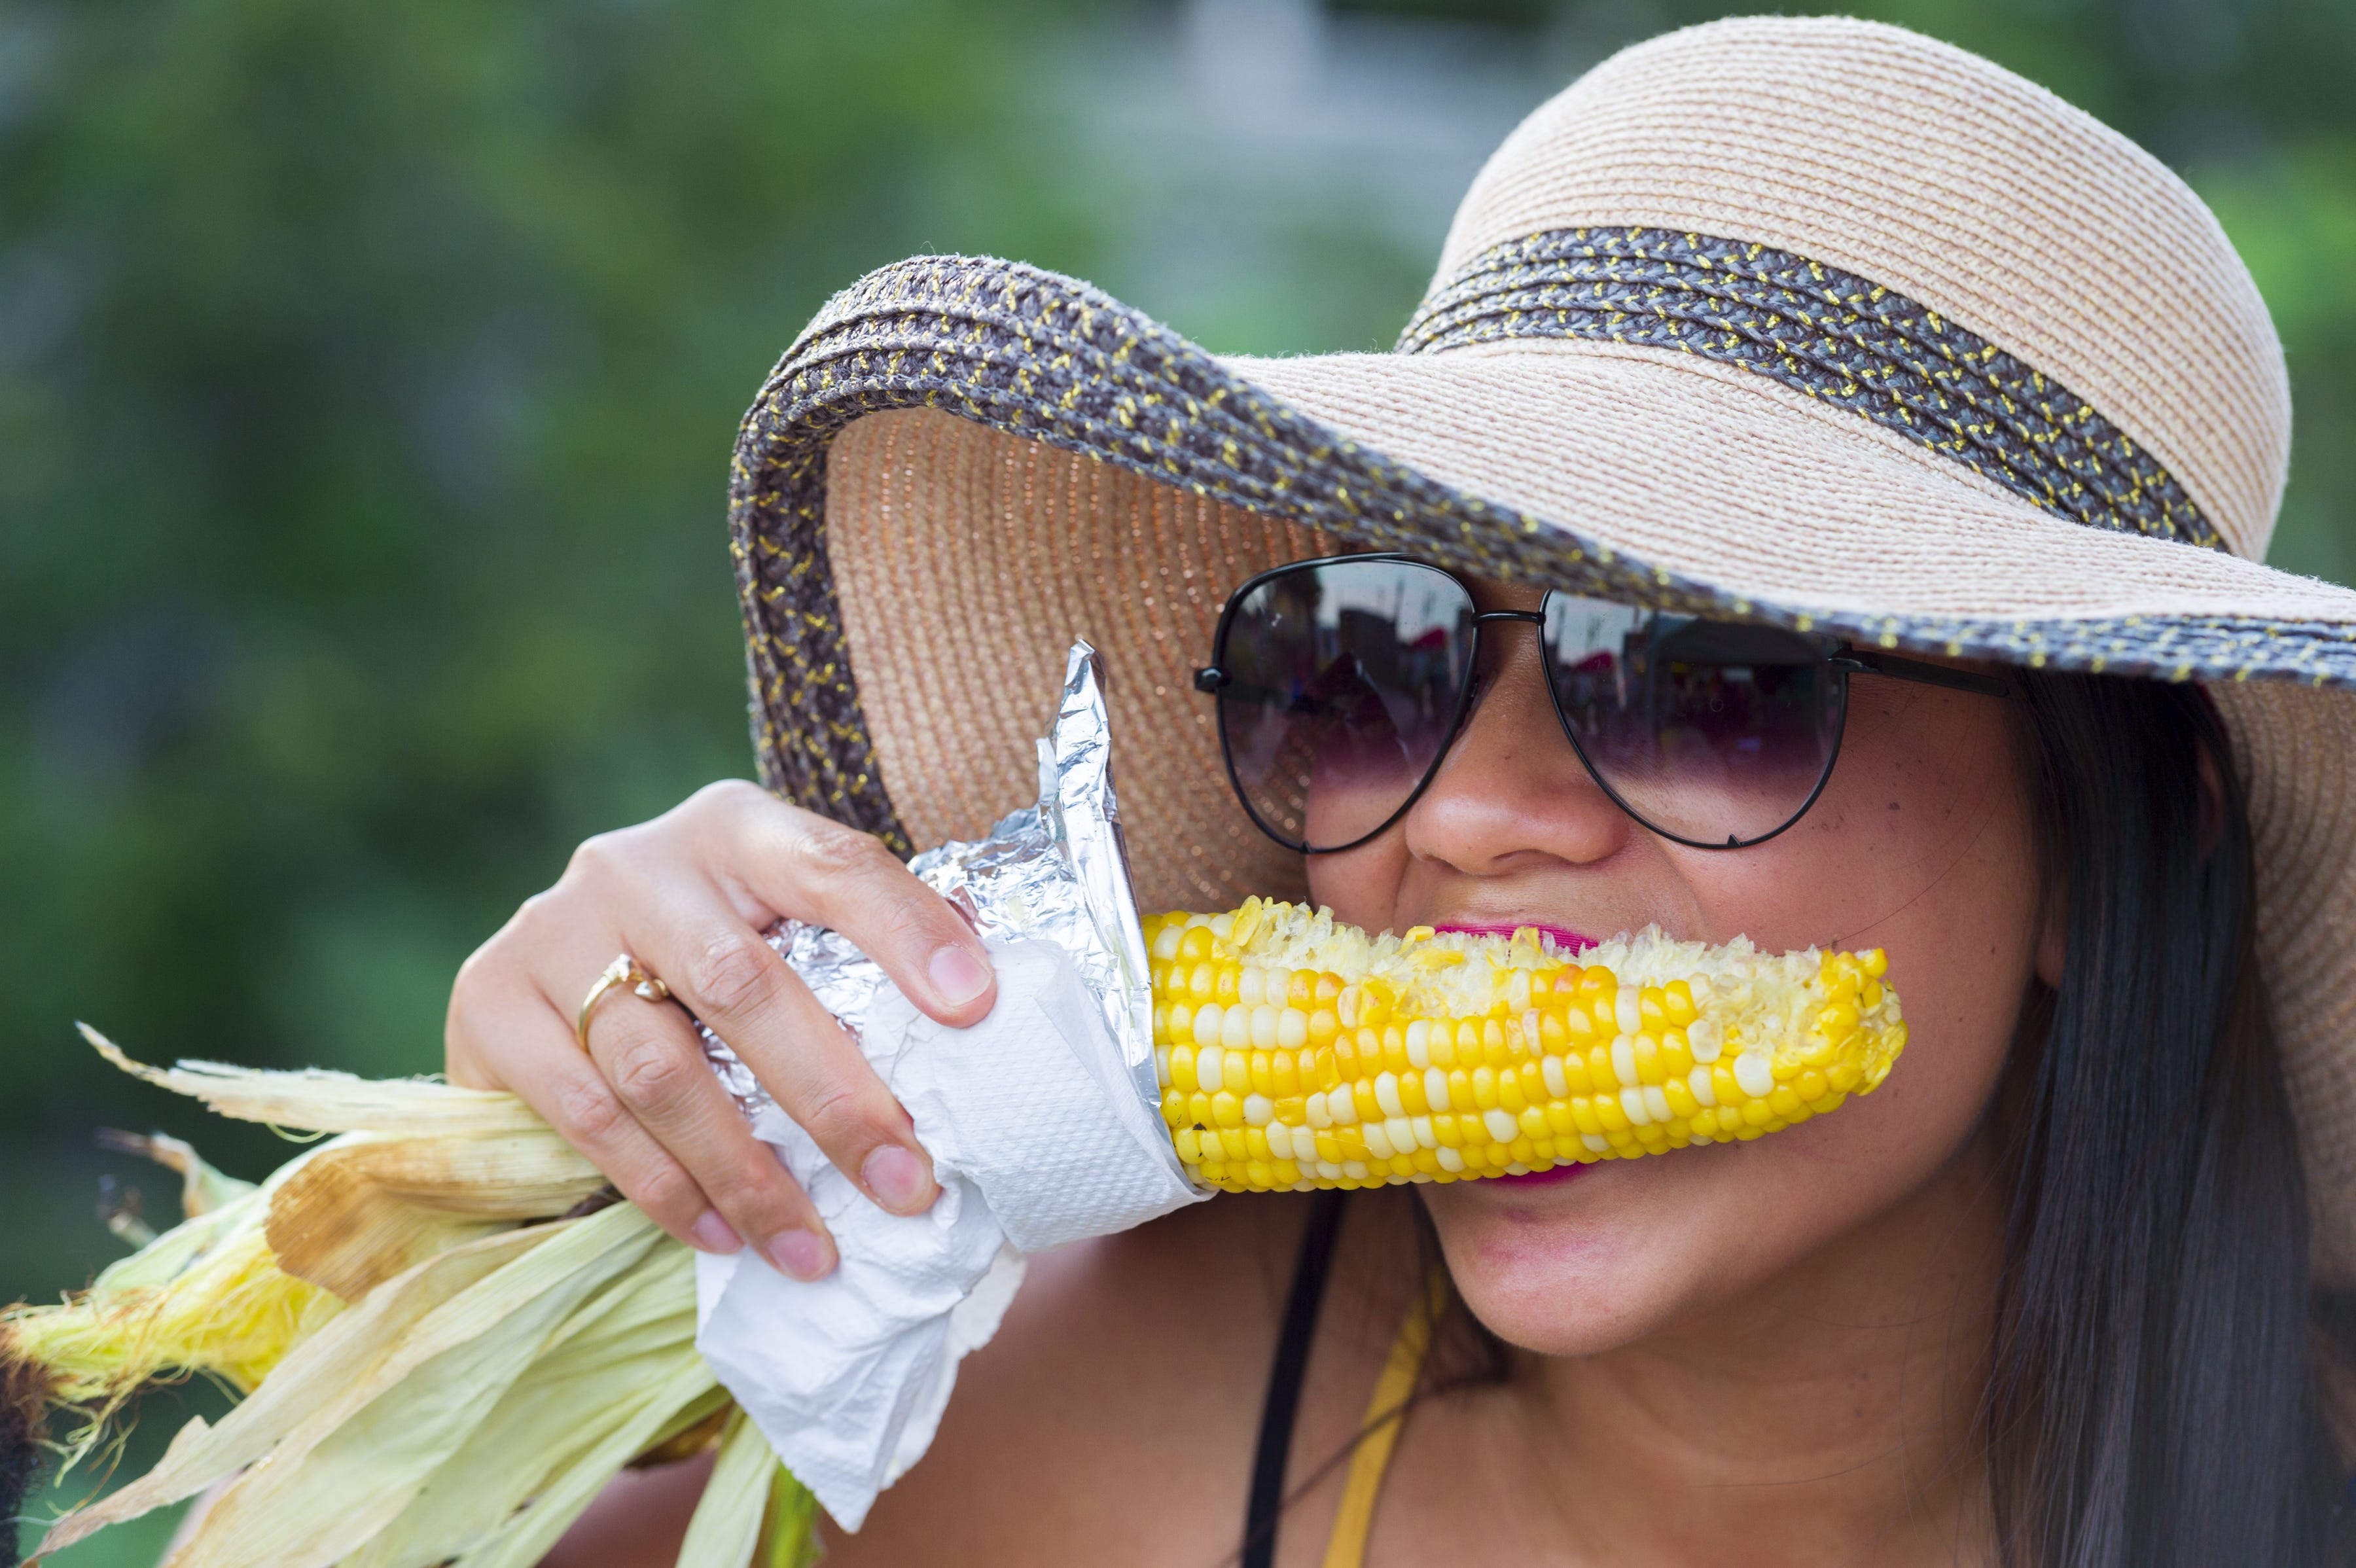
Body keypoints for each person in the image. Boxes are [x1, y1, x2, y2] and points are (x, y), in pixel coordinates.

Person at [445, 17, 2356, 1565]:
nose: (1463, 812)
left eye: (1704, 681)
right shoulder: (1053, 1424)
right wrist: (515, 1229)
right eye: (1373, 660)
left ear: (2120, 846)